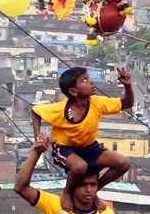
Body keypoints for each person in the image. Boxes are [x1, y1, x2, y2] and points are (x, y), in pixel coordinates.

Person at [32, 65, 136, 193]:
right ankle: (67, 193)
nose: (91, 81)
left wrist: (127, 86)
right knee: (79, 167)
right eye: (84, 80)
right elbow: (36, 112)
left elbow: (127, 104)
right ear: (73, 91)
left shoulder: (96, 103)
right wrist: (38, 137)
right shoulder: (59, 110)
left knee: (123, 163)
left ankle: (96, 188)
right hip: (65, 148)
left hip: (90, 147)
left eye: (88, 78)